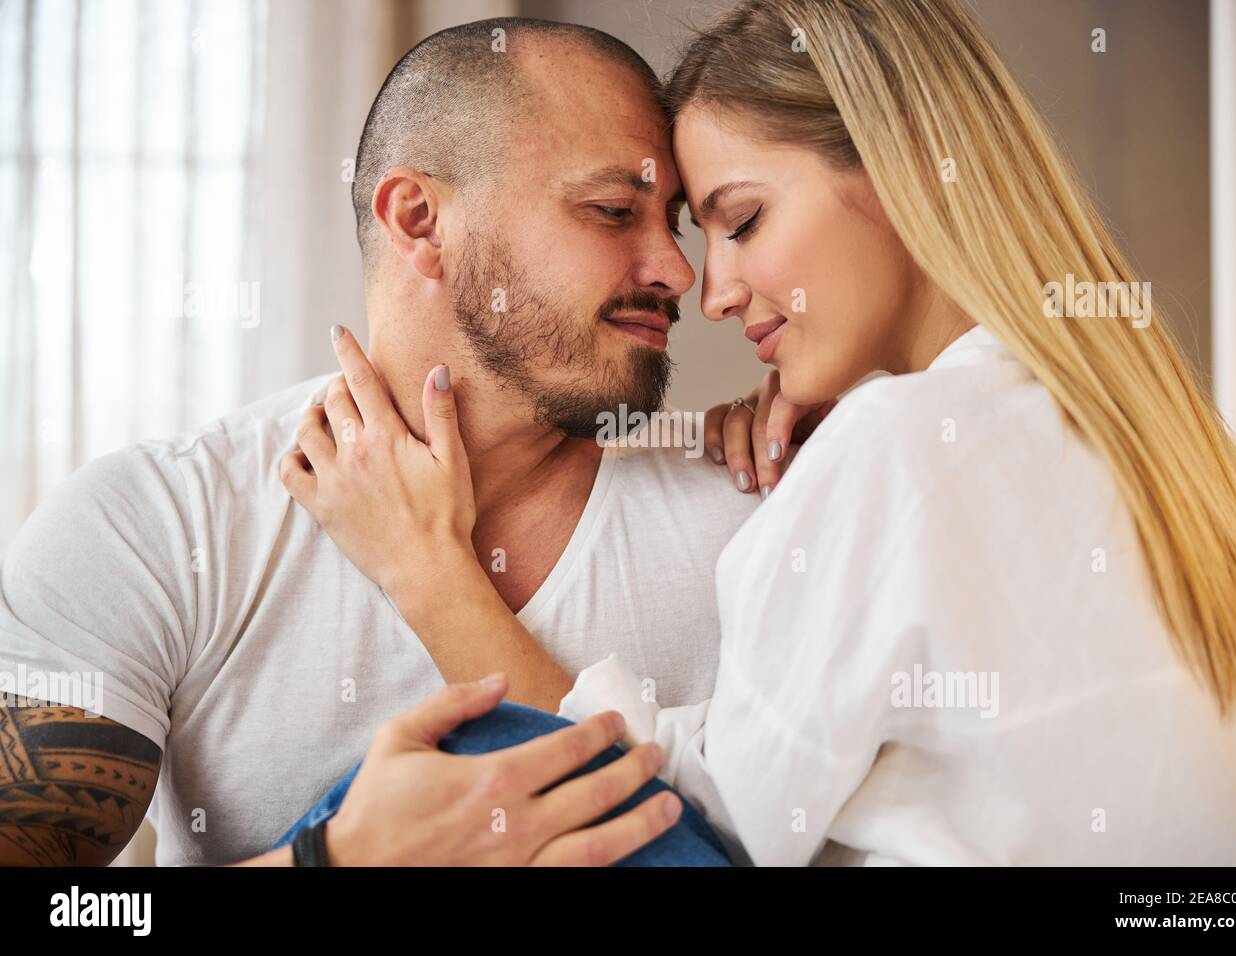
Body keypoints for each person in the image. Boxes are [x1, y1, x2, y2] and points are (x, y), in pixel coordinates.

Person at [282, 0, 1236, 866]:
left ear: (903, 171)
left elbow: (673, 822)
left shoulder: (898, 446)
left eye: (743, 219)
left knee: (432, 781)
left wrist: (426, 568)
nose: (707, 289)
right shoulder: (1161, 439)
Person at [0, 18, 777, 866]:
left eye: (673, 222)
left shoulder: (761, 511)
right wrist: (331, 860)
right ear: (419, 219)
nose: (677, 269)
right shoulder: (155, 529)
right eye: (612, 211)